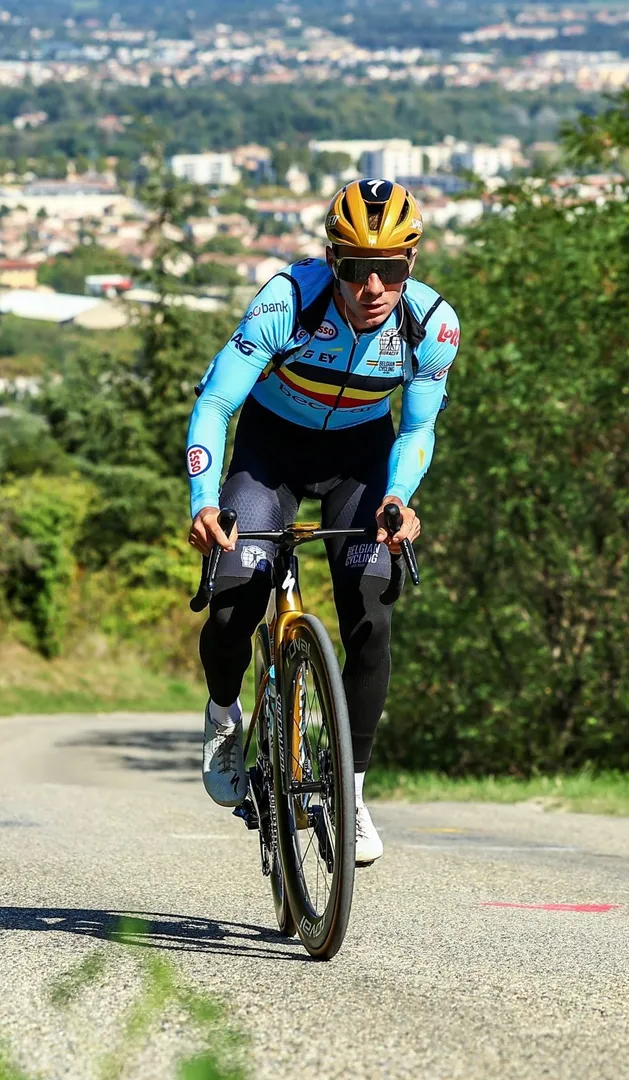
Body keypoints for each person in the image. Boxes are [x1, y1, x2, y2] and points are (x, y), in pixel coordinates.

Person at [183, 178, 460, 867]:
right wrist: (203, 501)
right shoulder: (286, 302)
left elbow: (418, 428)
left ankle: (352, 791)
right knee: (230, 607)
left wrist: (398, 496)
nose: (373, 286)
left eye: (390, 269)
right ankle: (223, 716)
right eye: (356, 268)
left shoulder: (431, 327)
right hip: (270, 452)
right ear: (331, 259)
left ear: (411, 267)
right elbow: (217, 403)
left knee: (373, 614)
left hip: (359, 460)